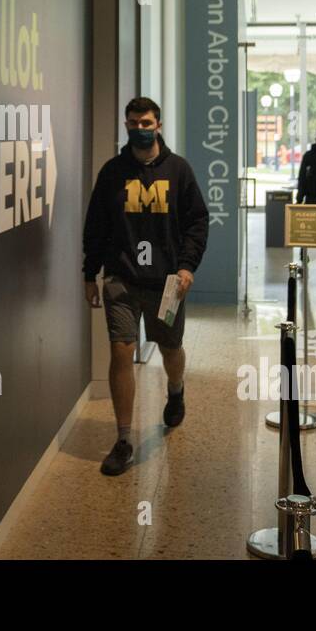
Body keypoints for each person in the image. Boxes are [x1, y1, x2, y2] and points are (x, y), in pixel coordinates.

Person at [83, 97, 210, 476]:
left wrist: (187, 268)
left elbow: (197, 223)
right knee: (121, 351)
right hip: (121, 279)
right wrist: (90, 274)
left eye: (147, 121)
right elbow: (95, 227)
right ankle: (123, 440)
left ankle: (176, 389)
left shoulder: (179, 170)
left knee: (170, 347)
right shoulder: (112, 173)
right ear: (126, 125)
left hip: (168, 283)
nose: (141, 127)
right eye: (134, 121)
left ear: (158, 124)